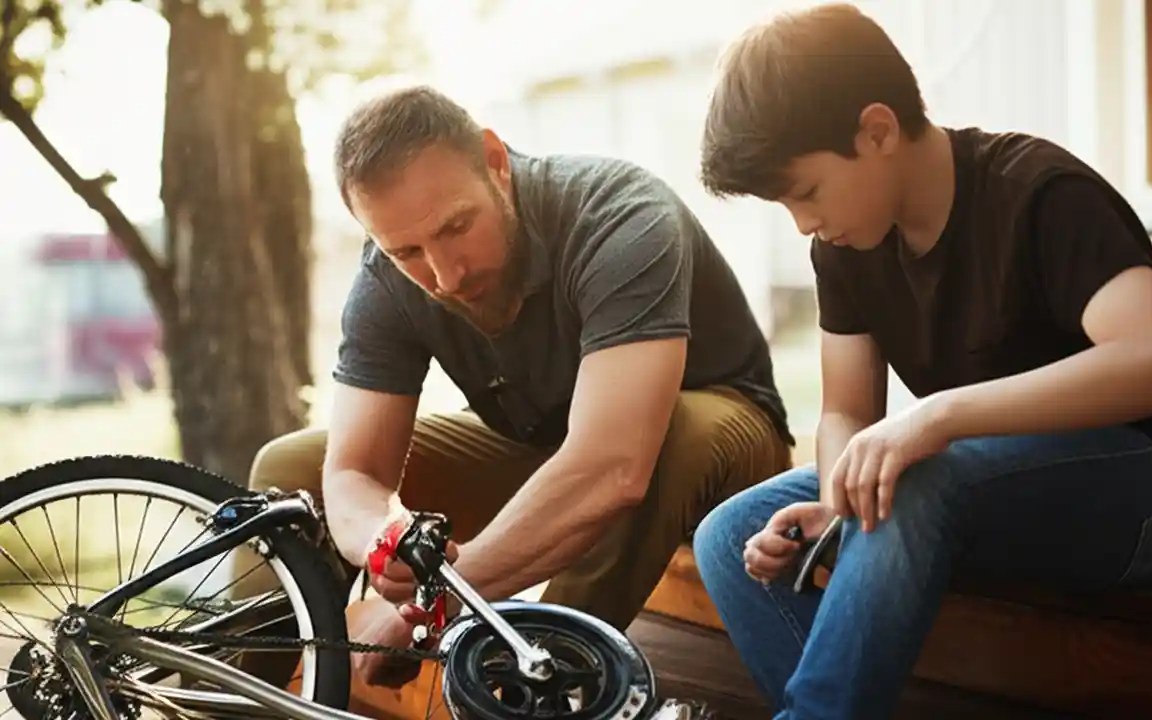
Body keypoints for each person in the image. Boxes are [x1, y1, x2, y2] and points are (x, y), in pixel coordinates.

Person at [690, 4, 1152, 718]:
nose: (805, 224)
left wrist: (938, 419)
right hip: (981, 487)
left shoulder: (1037, 192)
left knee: (916, 477)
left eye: (807, 192)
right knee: (730, 537)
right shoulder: (848, 246)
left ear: (877, 130)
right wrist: (836, 504)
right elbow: (847, 409)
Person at [231, 83, 793, 688]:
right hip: (553, 448)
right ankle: (229, 698)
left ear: (495, 161)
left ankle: (527, 689)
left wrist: (431, 605)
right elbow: (353, 474)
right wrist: (384, 541)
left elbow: (613, 465)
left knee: (661, 437)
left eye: (456, 226)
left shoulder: (621, 215)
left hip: (723, 448)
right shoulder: (384, 282)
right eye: (406, 251)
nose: (445, 275)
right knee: (293, 466)